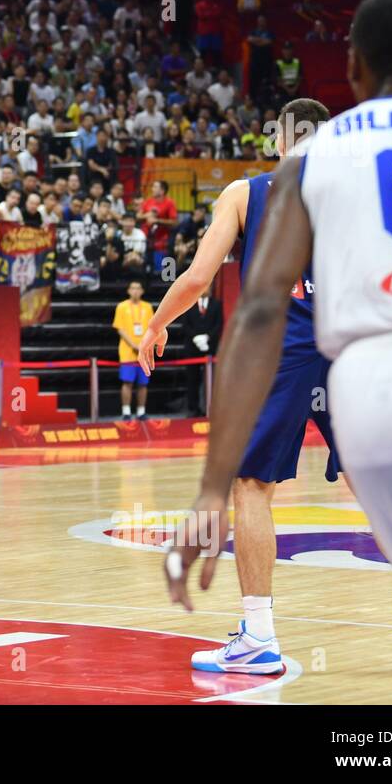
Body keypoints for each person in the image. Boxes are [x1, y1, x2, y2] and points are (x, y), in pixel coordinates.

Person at [168, 0, 392, 705]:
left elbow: (258, 312)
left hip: (375, 391)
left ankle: (271, 633)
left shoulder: (302, 170)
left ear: (353, 68)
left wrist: (209, 486)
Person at [140, 97, 340, 675]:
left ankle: (258, 635)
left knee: (252, 486)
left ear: (277, 140)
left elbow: (200, 276)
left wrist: (156, 323)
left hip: (281, 348)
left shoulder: (245, 193)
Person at [113, 279, 153, 418]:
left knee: (143, 383)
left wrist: (143, 345)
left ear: (142, 291)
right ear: (128, 290)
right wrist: (133, 345)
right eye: (133, 288)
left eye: (138, 288)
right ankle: (126, 411)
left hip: (144, 352)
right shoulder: (121, 307)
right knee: (127, 382)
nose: (135, 291)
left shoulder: (148, 307)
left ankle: (141, 411)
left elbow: (151, 328)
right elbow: (120, 328)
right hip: (127, 352)